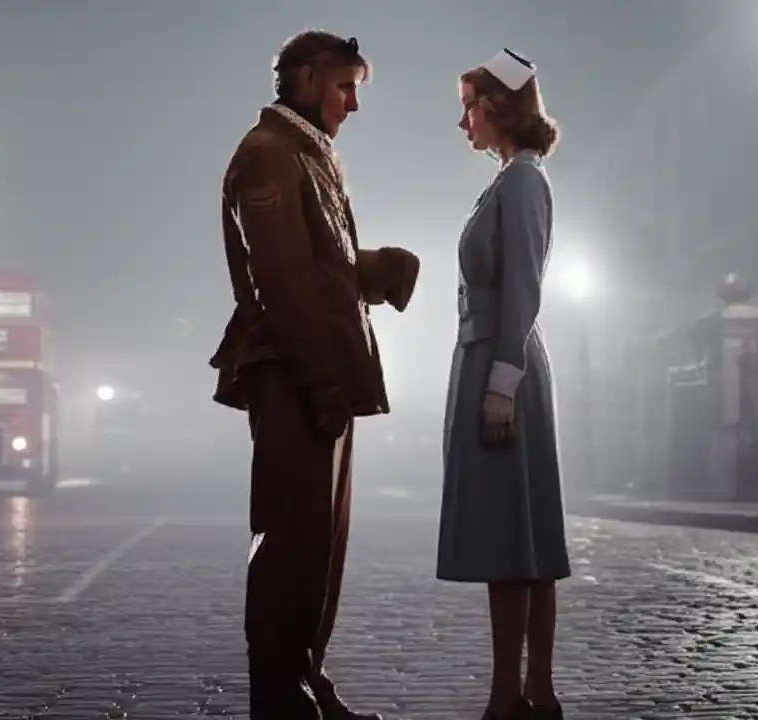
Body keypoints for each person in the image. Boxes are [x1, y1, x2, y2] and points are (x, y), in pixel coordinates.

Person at [208, 29, 421, 720]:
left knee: (320, 546)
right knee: (288, 544)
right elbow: (281, 284)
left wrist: (374, 270)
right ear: (305, 79)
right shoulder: (268, 154)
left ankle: (305, 681)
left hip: (320, 371)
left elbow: (317, 268)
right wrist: (322, 384)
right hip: (295, 373)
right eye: (344, 87)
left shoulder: (307, 151)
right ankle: (279, 697)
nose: (353, 104)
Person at [436, 48, 571, 720]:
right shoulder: (507, 180)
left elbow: (523, 288)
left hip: (502, 361)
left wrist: (501, 384)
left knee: (513, 538)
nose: (463, 121)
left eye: (469, 106)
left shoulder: (520, 183)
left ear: (497, 107)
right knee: (522, 535)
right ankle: (529, 693)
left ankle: (512, 694)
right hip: (494, 358)